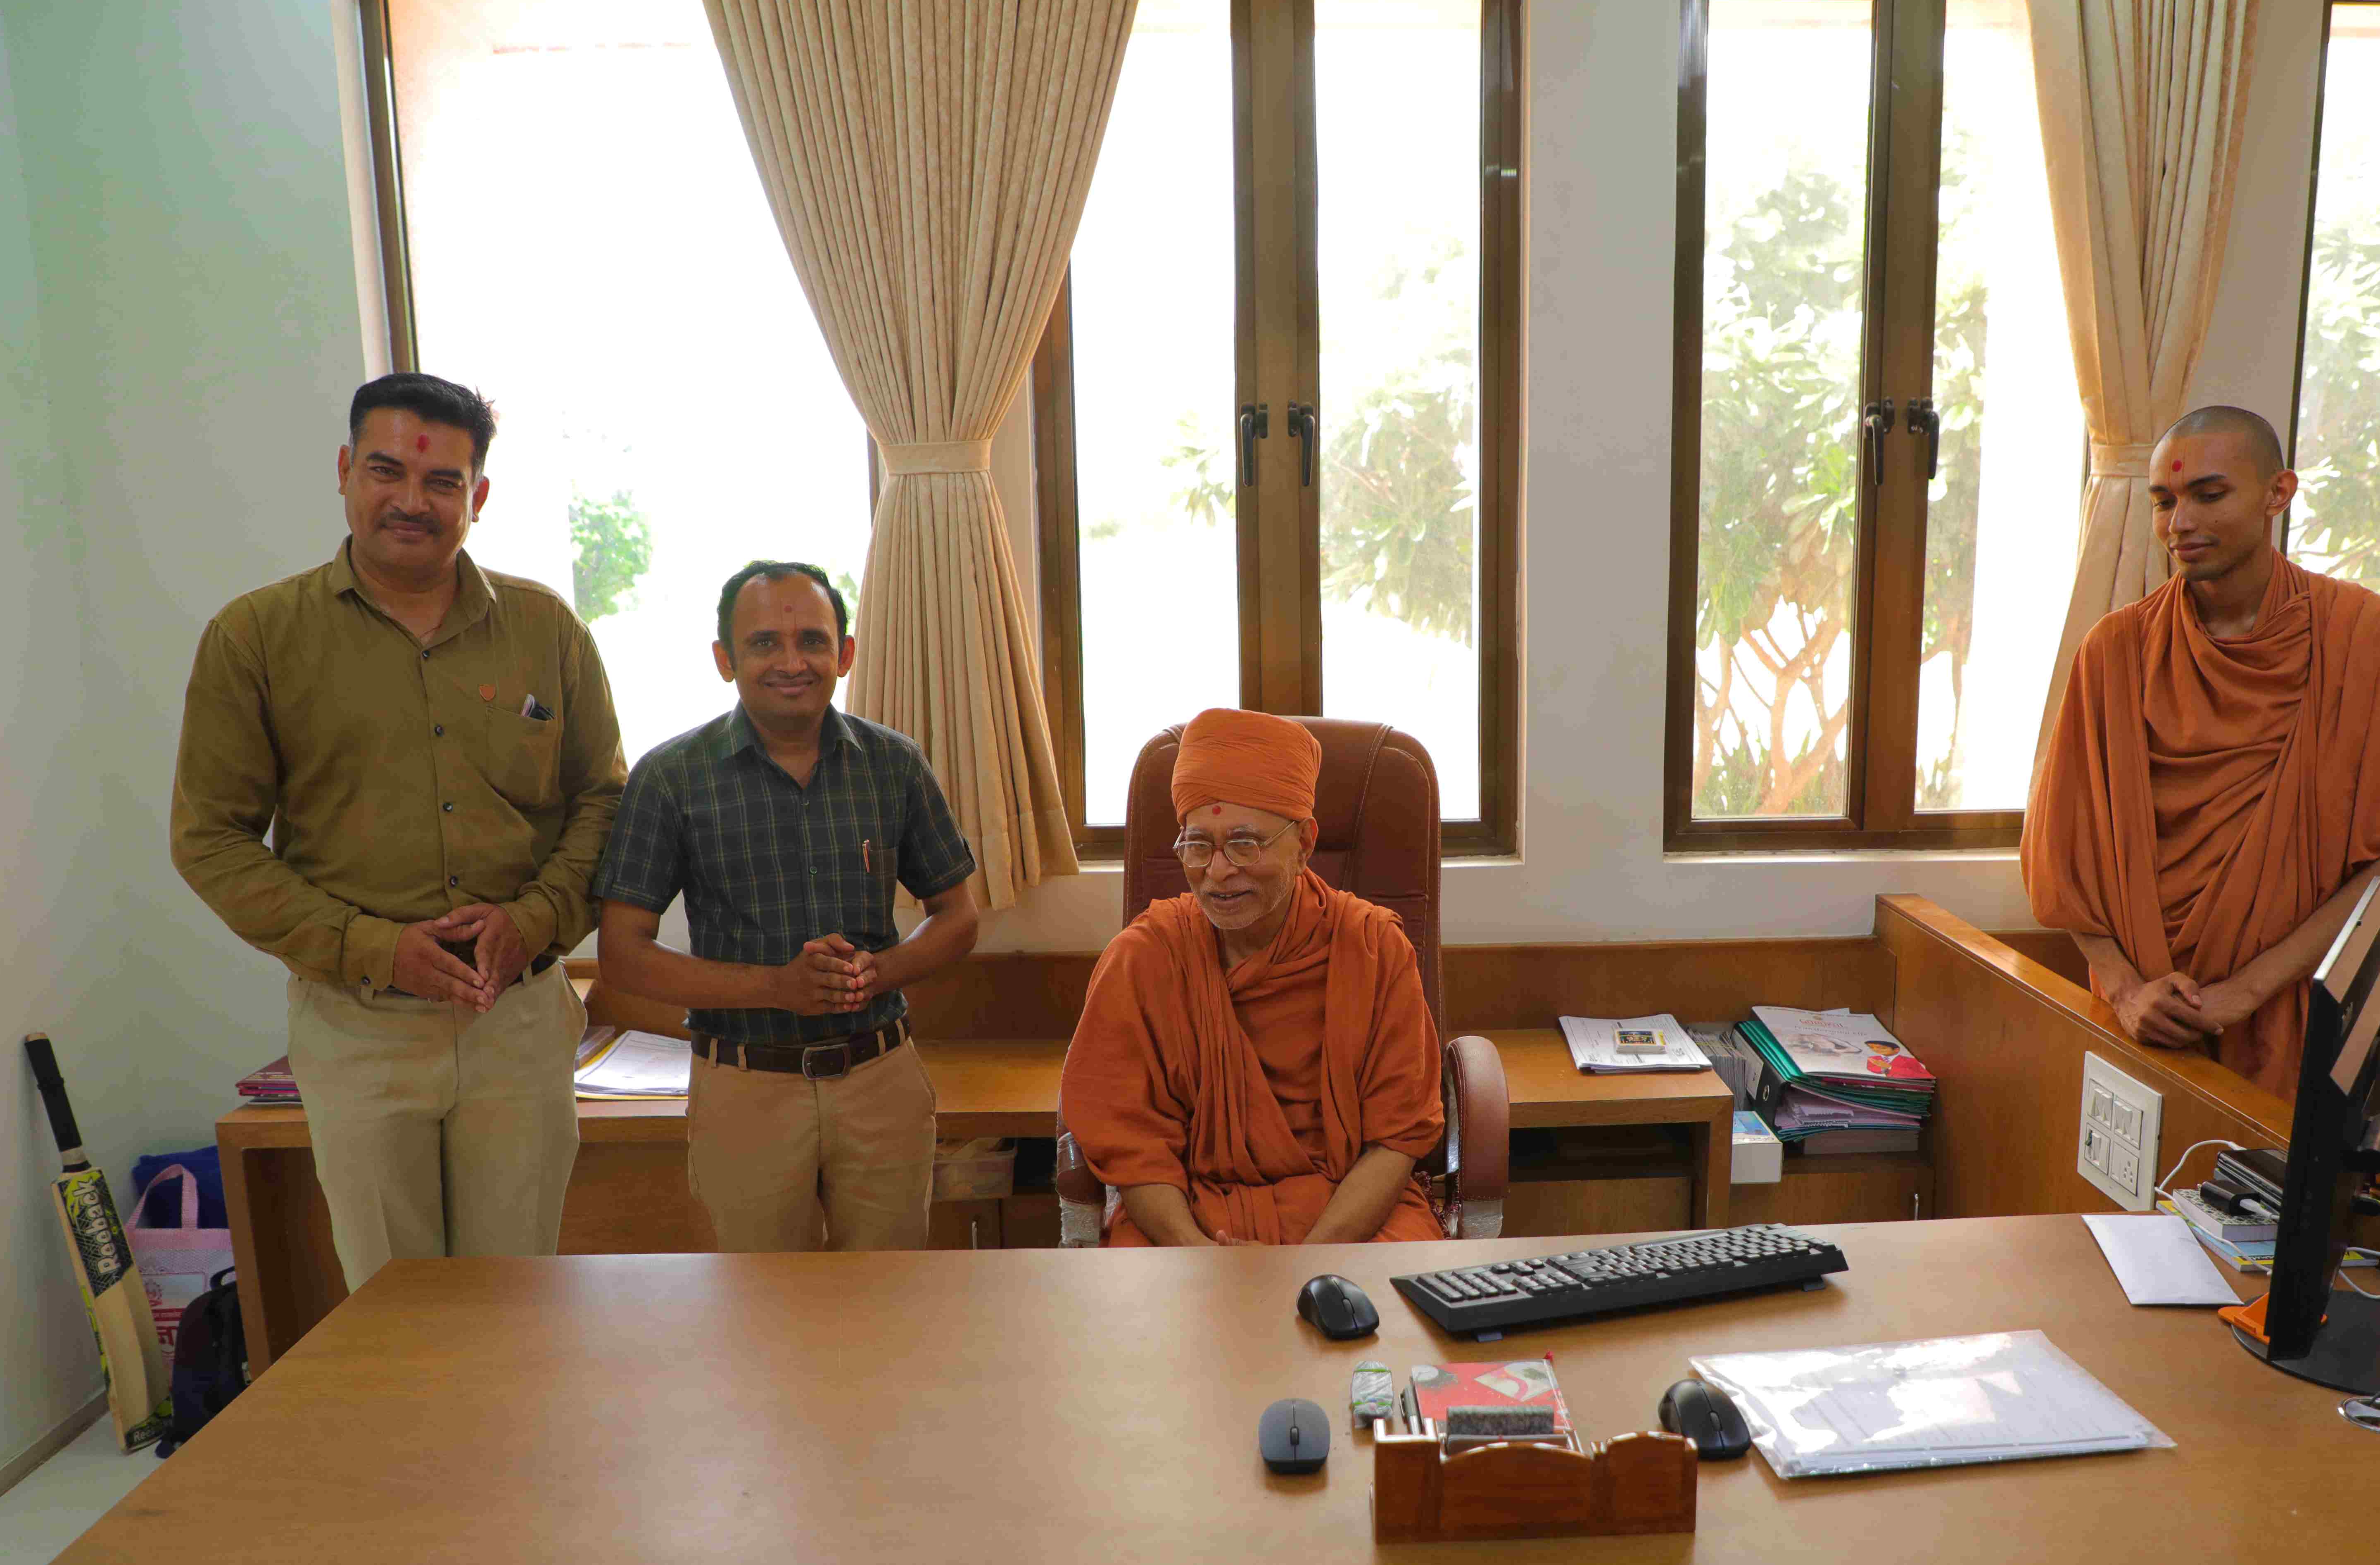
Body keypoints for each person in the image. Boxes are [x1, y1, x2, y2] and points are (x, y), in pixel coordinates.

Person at [171, 372, 625, 1286]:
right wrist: (374, 946)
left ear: (479, 497)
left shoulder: (547, 630)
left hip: (520, 1018)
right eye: (386, 470)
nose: (411, 500)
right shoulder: (256, 638)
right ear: (345, 471)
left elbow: (607, 803)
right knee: (396, 1314)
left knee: (521, 1300)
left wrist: (533, 920)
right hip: (361, 1025)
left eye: (443, 482)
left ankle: (513, 1441)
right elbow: (210, 838)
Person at [2022, 405, 2380, 1096]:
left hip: (2296, 1013)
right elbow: (2061, 861)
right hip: (2140, 1027)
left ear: (2278, 494)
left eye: (2209, 494)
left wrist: (2244, 991)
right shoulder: (2115, 653)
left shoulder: (2363, 641)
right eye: (2164, 501)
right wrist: (2126, 992)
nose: (2181, 524)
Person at [593, 561, 978, 1251]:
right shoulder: (671, 777)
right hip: (745, 1086)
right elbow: (622, 955)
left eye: (813, 641)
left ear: (846, 654)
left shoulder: (894, 765)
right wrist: (776, 987)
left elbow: (959, 917)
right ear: (725, 660)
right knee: (757, 1317)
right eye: (765, 643)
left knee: (889, 1307)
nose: (792, 662)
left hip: (880, 1078)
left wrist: (876, 973)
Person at [1062, 708, 1446, 1246]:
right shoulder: (1147, 957)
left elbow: (1397, 1138)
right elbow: (1132, 1144)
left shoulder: (1374, 949)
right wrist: (1195, 1254)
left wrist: (1311, 1260)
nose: (1218, 872)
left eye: (1246, 844)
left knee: (1397, 1316)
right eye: (1199, 845)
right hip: (1187, 1215)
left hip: (1353, 1214)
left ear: (1305, 842)